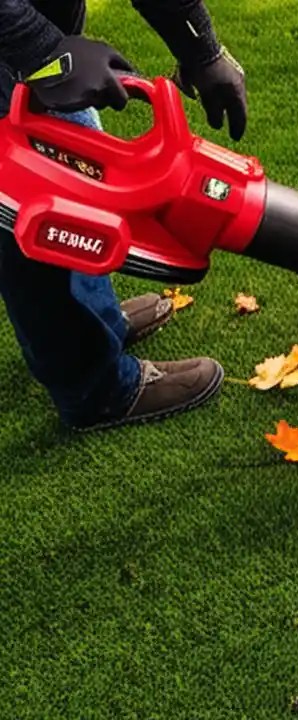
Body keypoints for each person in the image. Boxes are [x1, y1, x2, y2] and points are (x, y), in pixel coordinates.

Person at [0, 0, 247, 431]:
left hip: (33, 53)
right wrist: (45, 50)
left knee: (80, 192)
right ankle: (94, 392)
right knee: (30, 222)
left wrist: (201, 49)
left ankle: (99, 323)